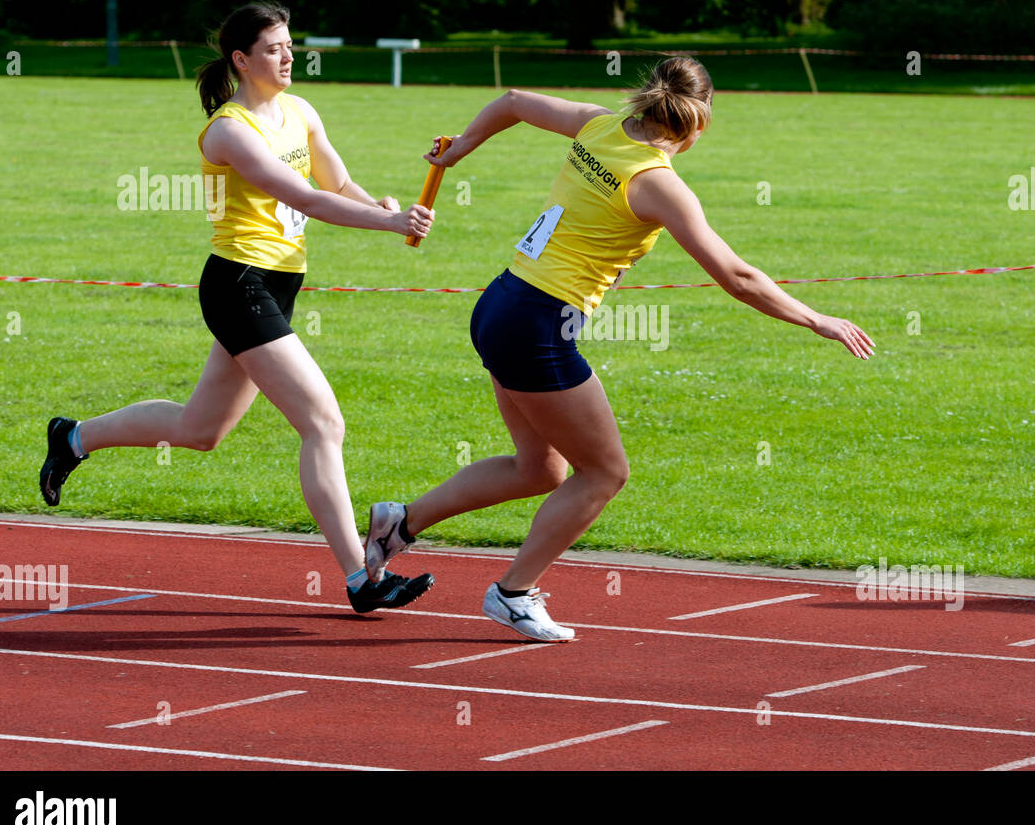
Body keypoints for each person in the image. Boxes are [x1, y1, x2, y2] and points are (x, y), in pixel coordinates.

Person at [363, 56, 874, 641]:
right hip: (537, 325)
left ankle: (400, 524)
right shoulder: (657, 184)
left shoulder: (597, 125)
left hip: (501, 303)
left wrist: (462, 148)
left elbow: (511, 100)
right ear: (699, 123)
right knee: (603, 472)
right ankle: (513, 592)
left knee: (540, 468)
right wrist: (817, 319)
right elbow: (737, 276)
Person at [39, 0, 436, 614]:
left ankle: (73, 438)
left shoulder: (300, 111)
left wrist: (382, 204)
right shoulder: (229, 130)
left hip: (278, 285)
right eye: (275, 47)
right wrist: (387, 222)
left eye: (290, 44)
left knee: (201, 430)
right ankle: (362, 577)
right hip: (238, 286)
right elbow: (301, 195)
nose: (288, 55)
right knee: (323, 423)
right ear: (242, 59)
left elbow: (335, 184)